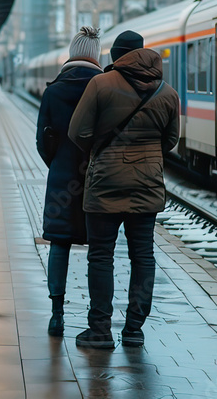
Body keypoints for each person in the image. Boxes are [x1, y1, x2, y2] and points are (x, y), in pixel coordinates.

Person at [68, 30, 180, 349]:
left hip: (105, 182)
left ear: (115, 55)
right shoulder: (167, 92)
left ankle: (100, 330)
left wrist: (100, 152)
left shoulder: (100, 84)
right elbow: (170, 141)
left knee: (101, 255)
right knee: (142, 254)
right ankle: (133, 329)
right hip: (146, 184)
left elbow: (78, 131)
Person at [35, 27, 104, 337]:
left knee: (59, 243)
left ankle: (56, 314)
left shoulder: (53, 91)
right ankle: (95, 317)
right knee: (98, 249)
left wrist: (59, 164)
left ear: (71, 52)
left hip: (63, 179)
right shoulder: (104, 89)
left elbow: (42, 140)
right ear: (96, 54)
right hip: (98, 178)